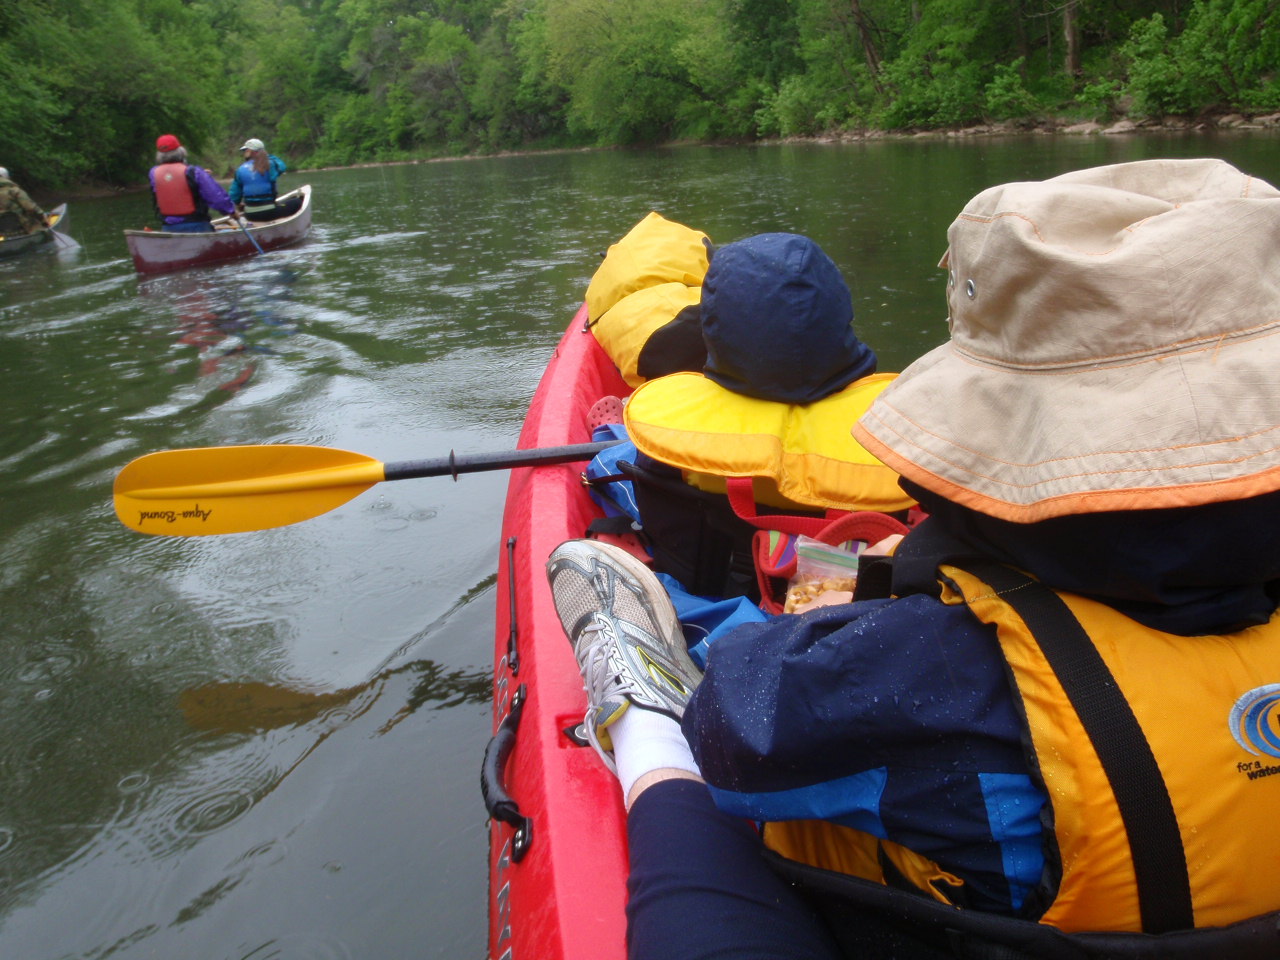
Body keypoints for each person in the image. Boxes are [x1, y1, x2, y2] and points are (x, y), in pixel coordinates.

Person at [547, 157, 1280, 959]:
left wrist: (877, 608)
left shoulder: (927, 671)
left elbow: (732, 721)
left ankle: (640, 709)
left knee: (691, 785)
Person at [149, 134, 236, 233]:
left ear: (159, 155)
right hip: (196, 226)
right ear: (181, 151)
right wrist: (231, 211)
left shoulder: (153, 174)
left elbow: (172, 183)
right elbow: (217, 198)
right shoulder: (194, 172)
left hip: (168, 228)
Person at [229, 138, 301, 222]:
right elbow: (282, 166)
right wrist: (266, 155)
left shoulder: (240, 170)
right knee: (297, 201)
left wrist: (239, 205)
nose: (244, 153)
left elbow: (234, 197)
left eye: (245, 150)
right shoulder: (270, 165)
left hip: (250, 215)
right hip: (269, 213)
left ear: (249, 152)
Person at [0, 166, 51, 236]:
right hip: (19, 228)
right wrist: (43, 220)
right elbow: (31, 208)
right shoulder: (14, 190)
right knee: (37, 224)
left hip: (2, 231)